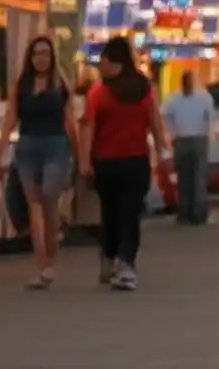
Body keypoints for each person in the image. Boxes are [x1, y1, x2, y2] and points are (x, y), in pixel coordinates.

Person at [78, 36, 173, 291]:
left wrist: (85, 161)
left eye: (103, 60)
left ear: (113, 62)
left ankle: (120, 261)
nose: (100, 66)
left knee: (116, 213)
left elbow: (89, 127)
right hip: (135, 162)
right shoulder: (145, 90)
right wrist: (164, 152)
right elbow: (156, 125)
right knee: (125, 214)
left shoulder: (99, 93)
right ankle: (120, 260)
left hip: (108, 163)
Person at [0, 36, 77, 289]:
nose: (41, 58)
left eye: (46, 53)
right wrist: (0, 150)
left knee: (50, 198)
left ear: (52, 57)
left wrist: (80, 153)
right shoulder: (22, 85)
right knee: (35, 206)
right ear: (30, 57)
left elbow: (69, 120)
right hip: (28, 146)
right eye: (37, 53)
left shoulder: (60, 84)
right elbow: (10, 119)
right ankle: (42, 266)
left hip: (55, 145)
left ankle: (51, 258)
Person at [161, 70, 214, 226]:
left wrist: (173, 131)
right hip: (197, 138)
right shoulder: (203, 97)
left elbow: (165, 115)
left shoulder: (174, 99)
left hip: (183, 138)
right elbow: (210, 115)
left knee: (185, 177)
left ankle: (185, 212)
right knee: (197, 176)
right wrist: (206, 130)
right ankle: (197, 212)